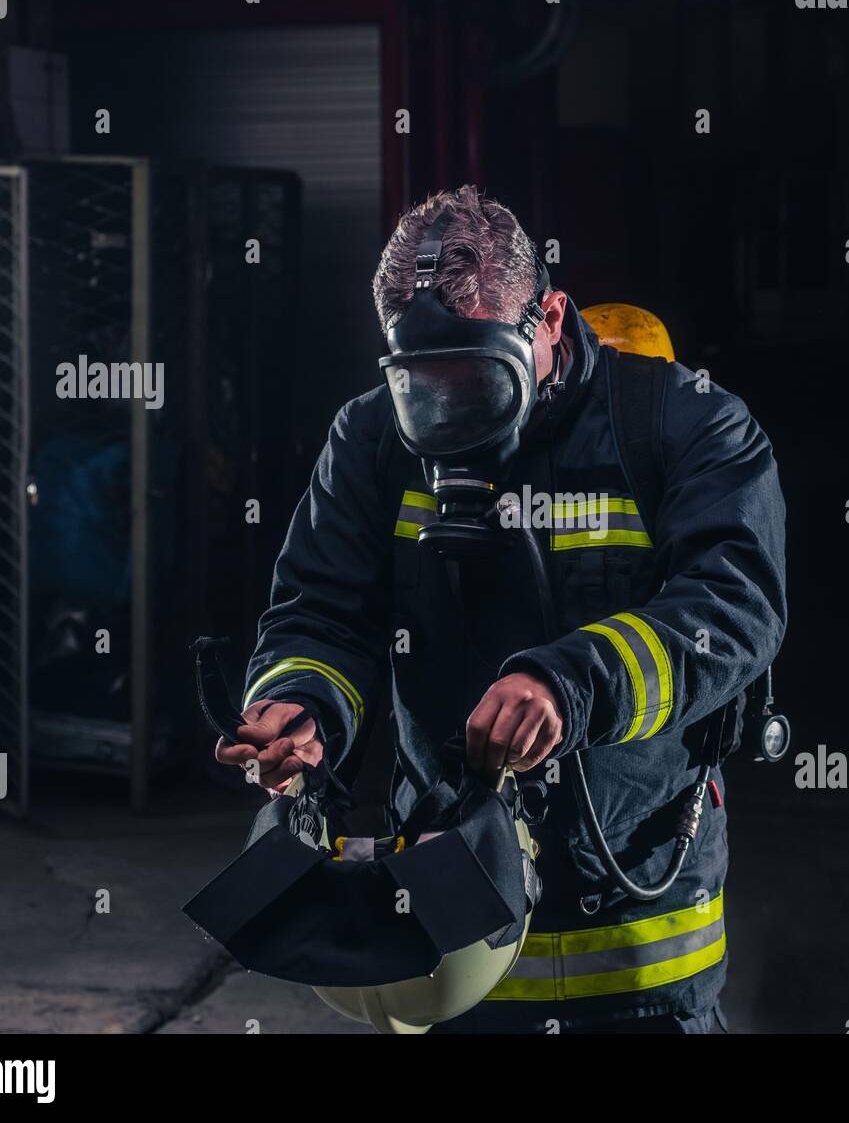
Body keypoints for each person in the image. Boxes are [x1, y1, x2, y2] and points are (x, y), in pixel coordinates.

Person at [213, 184, 787, 1033]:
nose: (453, 421)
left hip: (640, 927)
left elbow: (733, 607)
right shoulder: (371, 440)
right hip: (454, 915)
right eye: (426, 392)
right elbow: (323, 615)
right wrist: (305, 709)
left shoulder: (684, 424)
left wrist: (570, 686)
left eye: (478, 384)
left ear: (549, 318)